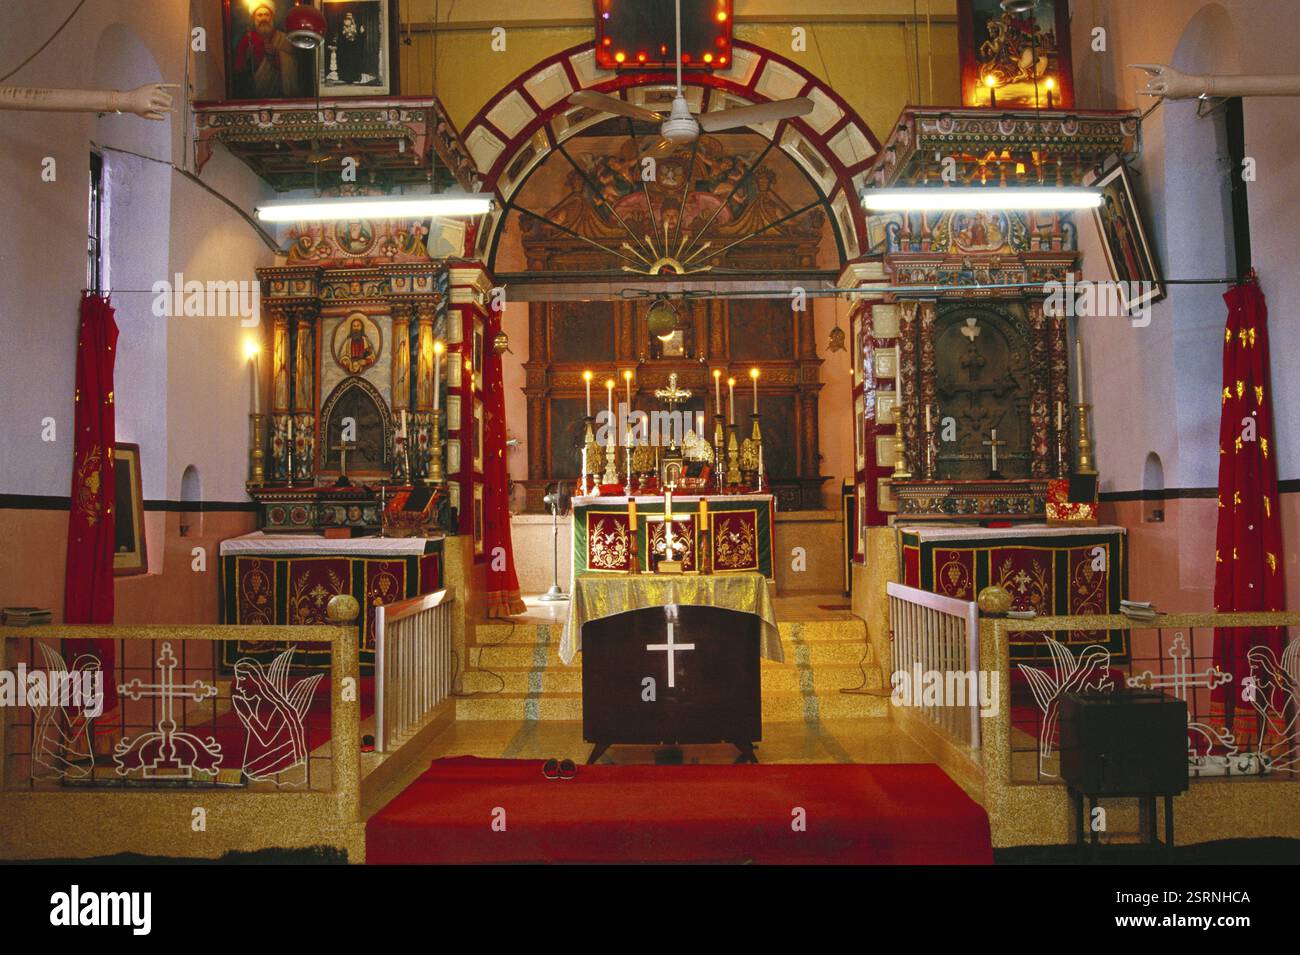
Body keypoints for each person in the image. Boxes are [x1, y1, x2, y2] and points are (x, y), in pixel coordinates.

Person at [233, 3, 302, 99]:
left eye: (266, 15)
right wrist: (247, 58)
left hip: (281, 98)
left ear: (272, 18)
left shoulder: (283, 39)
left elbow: (294, 65)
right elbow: (239, 70)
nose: (263, 18)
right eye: (259, 15)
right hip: (254, 97)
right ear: (254, 18)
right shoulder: (247, 40)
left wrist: (276, 56)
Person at [333, 11, 368, 84]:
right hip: (344, 51)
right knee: (345, 63)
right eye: (346, 19)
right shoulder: (341, 29)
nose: (347, 21)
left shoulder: (356, 28)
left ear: (352, 20)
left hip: (354, 52)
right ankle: (344, 77)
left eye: (349, 19)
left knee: (354, 63)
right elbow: (338, 40)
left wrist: (362, 33)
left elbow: (360, 40)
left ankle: (355, 77)